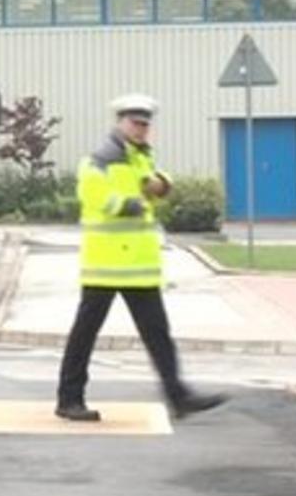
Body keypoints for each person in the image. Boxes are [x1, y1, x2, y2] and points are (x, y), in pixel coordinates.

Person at [56, 94, 227, 422]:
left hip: (137, 268)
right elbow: (98, 198)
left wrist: (161, 184)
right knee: (85, 334)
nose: (141, 130)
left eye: (145, 125)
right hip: (105, 266)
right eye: (135, 123)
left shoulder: (140, 158)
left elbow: (159, 182)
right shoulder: (100, 161)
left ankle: (178, 396)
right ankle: (68, 398)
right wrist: (137, 196)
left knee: (158, 333)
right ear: (119, 123)